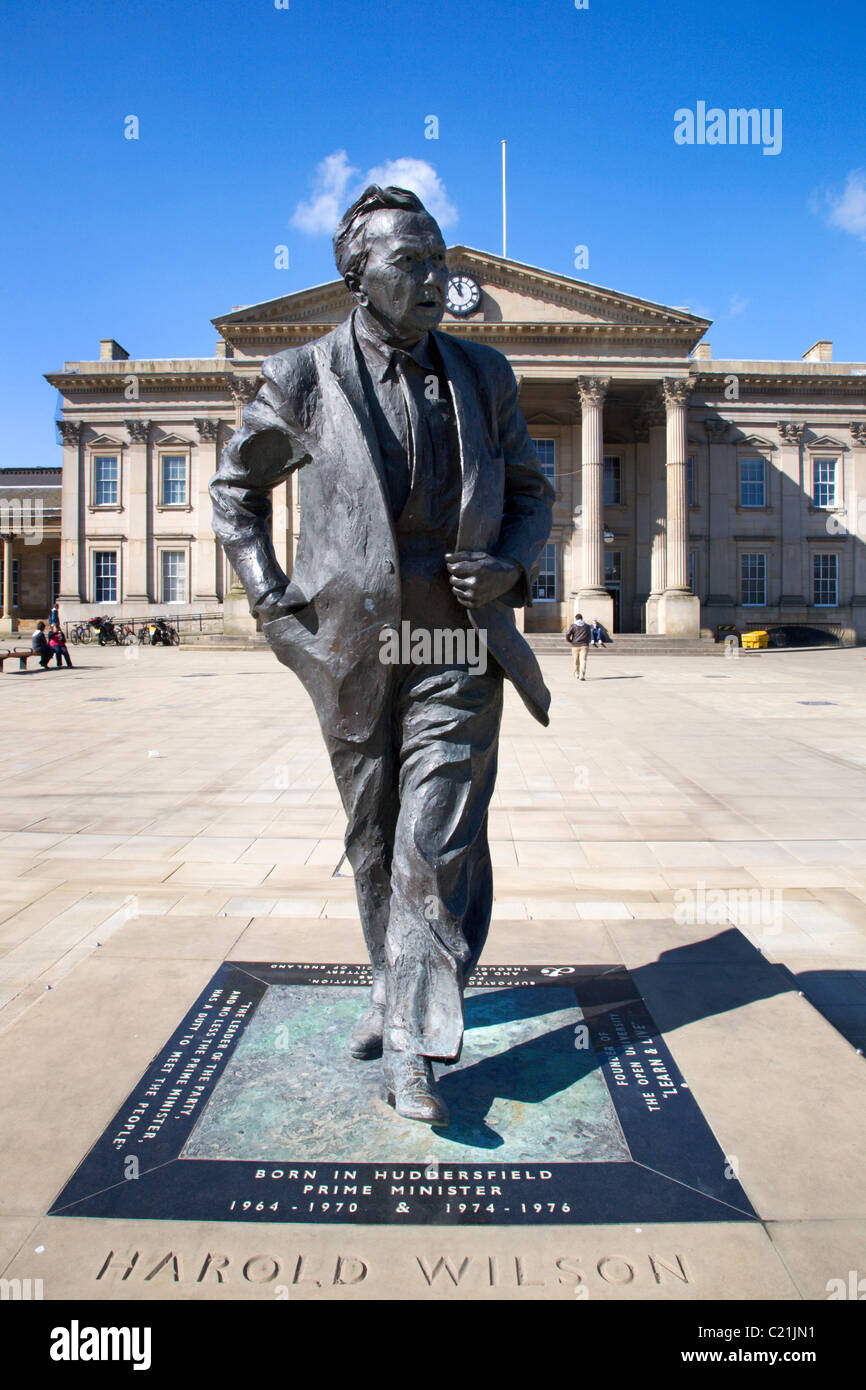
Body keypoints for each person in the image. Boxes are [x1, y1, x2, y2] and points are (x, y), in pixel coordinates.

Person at [211, 184, 554, 1127]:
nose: (434, 278)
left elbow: (532, 494)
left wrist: (510, 564)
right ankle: (389, 984)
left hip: (455, 637)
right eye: (412, 262)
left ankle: (412, 1045)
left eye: (441, 260)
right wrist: (273, 607)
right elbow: (235, 496)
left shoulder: (485, 374)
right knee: (372, 839)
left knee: (431, 842)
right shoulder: (301, 376)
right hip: (353, 646)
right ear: (357, 274)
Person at [566, 611, 590, 679]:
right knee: (583, 660)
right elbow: (589, 636)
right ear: (582, 618)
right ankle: (582, 675)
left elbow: (568, 634)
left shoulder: (573, 626)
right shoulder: (587, 626)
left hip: (575, 645)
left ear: (576, 619)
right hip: (584, 645)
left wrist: (570, 640)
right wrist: (587, 643)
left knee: (576, 661)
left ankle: (576, 674)